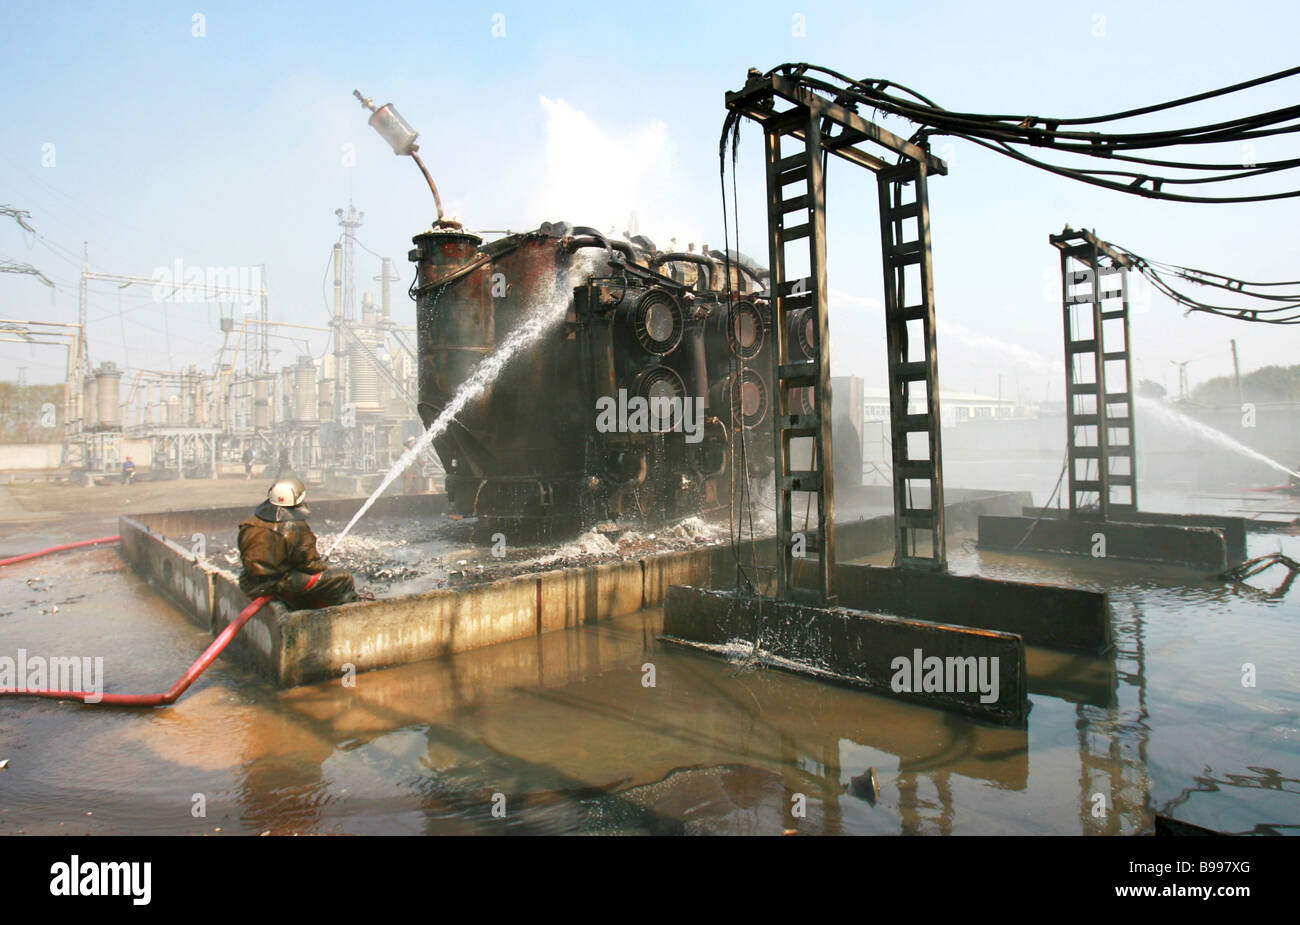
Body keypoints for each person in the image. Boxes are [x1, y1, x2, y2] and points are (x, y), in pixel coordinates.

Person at [237, 477, 369, 609]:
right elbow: (310, 565)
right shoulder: (295, 527)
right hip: (279, 585)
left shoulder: (251, 521)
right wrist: (321, 566)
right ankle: (348, 613)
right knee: (343, 577)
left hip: (250, 583)